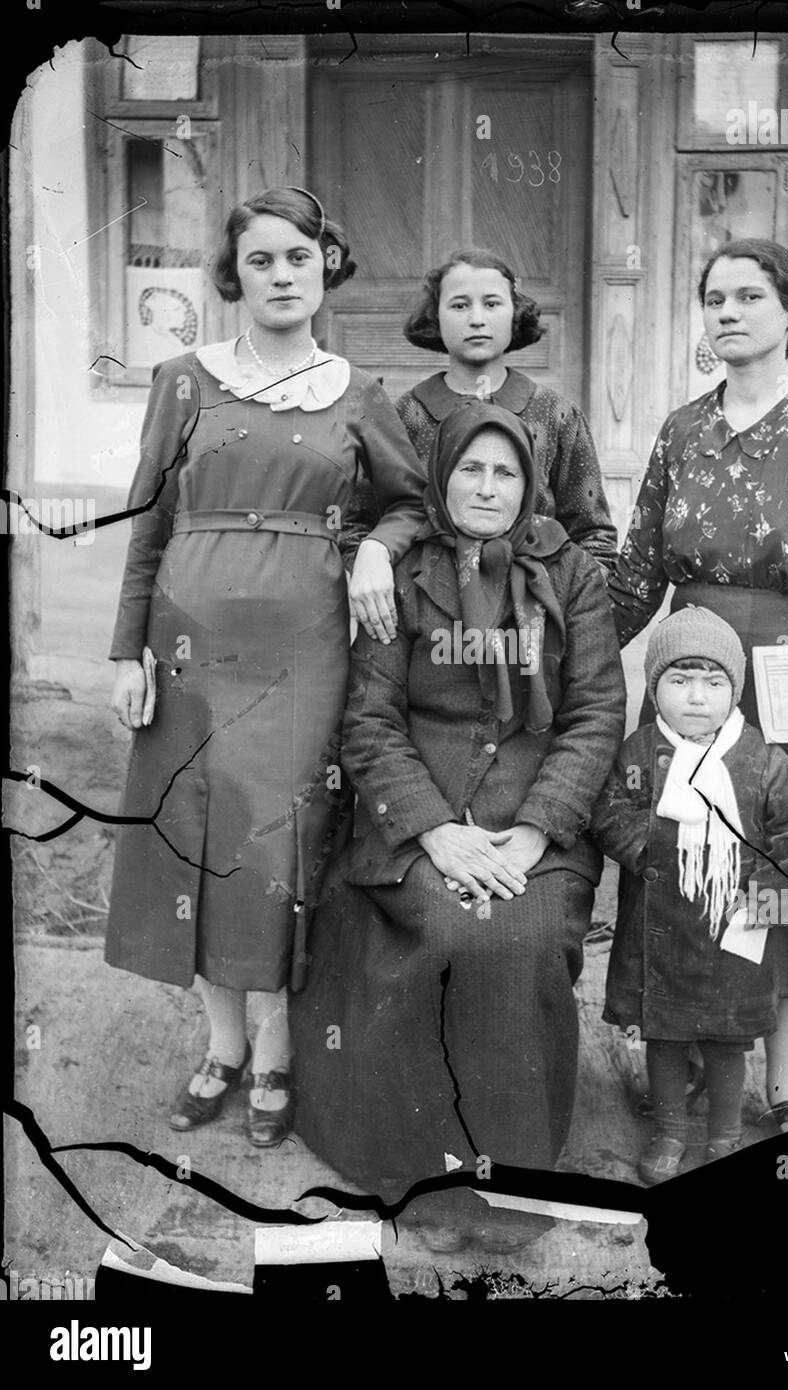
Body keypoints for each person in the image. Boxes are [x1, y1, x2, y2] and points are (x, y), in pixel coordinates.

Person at [105, 186, 426, 1147]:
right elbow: (148, 519)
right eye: (261, 261)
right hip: (189, 650)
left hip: (305, 651)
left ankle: (279, 1051)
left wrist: (374, 547)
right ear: (233, 276)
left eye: (299, 256)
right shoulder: (182, 381)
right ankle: (220, 1047)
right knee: (198, 841)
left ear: (325, 265)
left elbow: (411, 504)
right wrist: (127, 649)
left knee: (280, 847)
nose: (282, 275)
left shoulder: (359, 392)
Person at [289, 400, 626, 1251]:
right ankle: (428, 1185)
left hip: (533, 825)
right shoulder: (405, 575)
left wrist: (540, 829)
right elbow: (368, 721)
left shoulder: (573, 576)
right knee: (448, 931)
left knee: (514, 939)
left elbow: (593, 717)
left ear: (530, 482)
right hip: (416, 821)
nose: (487, 485)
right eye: (469, 469)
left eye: (505, 470)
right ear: (441, 479)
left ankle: (509, 1192)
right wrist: (434, 829)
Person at [608, 238, 788, 1133]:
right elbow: (638, 570)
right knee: (688, 863)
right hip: (695, 669)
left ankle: (786, 1079)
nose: (726, 313)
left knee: (787, 868)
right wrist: (576, 664)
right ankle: (686, 1056)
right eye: (713, 298)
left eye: (748, 297)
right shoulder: (682, 429)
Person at [592, 607, 788, 1184]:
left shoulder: (762, 762)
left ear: (734, 690)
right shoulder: (640, 756)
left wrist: (766, 894)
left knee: (727, 1041)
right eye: (679, 680)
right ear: (655, 688)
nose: (697, 698)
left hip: (732, 931)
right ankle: (669, 1129)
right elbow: (610, 810)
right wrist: (650, 849)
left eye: (713, 683)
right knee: (664, 1038)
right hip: (661, 926)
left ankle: (725, 1134)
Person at [345, 248, 618, 572]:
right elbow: (357, 527)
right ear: (436, 316)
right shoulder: (403, 416)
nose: (477, 319)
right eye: (460, 305)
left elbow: (592, 536)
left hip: (535, 610)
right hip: (425, 607)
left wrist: (569, 602)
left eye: (491, 304)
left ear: (514, 313)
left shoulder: (556, 414)